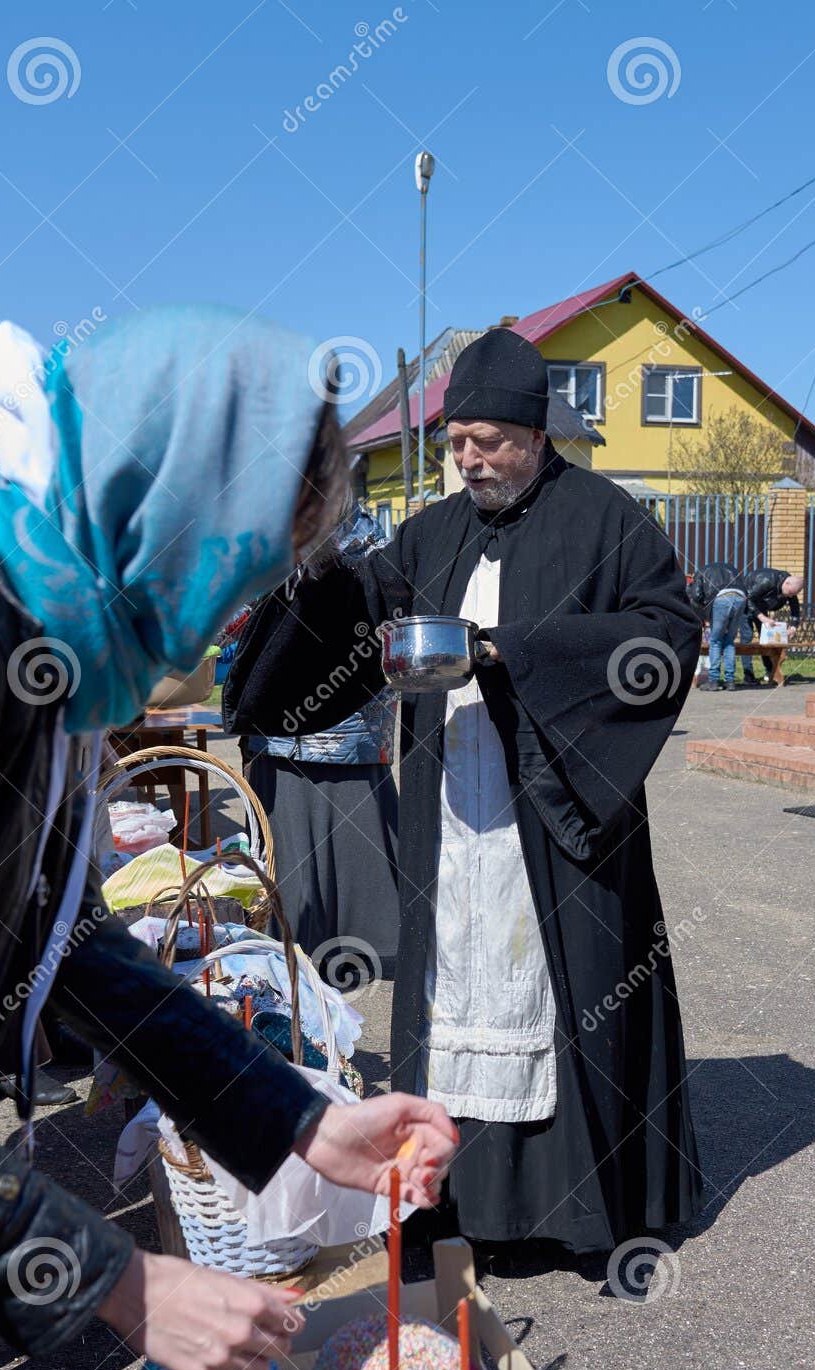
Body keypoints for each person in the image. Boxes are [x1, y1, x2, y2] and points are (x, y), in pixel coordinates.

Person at [0, 312, 456, 1370]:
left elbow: (56, 941)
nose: (214, 637)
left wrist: (301, 1121)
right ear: (169, 522)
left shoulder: (47, 607)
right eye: (229, 586)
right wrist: (121, 1281)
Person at [226, 326, 704, 1258]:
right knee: (455, 983)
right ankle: (455, 1205)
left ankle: (577, 1212)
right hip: (453, 804)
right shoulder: (436, 530)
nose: (471, 460)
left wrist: (510, 653)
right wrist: (316, 565)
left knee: (561, 988)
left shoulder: (608, 520)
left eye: (490, 442)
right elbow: (365, 613)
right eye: (456, 444)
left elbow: (662, 636)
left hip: (555, 805)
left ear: (536, 433)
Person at [234, 501, 400, 984]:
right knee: (287, 869)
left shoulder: (356, 532)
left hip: (345, 726)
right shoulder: (260, 530)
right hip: (284, 732)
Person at [740, 567, 804, 687]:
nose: (789, 596)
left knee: (766, 640)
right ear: (787, 583)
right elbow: (748, 599)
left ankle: (771, 672)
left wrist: (793, 627)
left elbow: (795, 608)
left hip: (760, 606)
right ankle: (748, 676)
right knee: (746, 639)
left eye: (792, 594)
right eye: (789, 593)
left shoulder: (791, 586)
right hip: (746, 606)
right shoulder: (767, 581)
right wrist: (762, 618)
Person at [688, 560, 746, 690]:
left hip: (721, 599)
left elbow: (696, 596)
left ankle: (713, 680)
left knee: (715, 641)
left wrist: (704, 617)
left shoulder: (701, 572)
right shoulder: (732, 568)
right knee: (729, 640)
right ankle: (730, 681)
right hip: (740, 597)